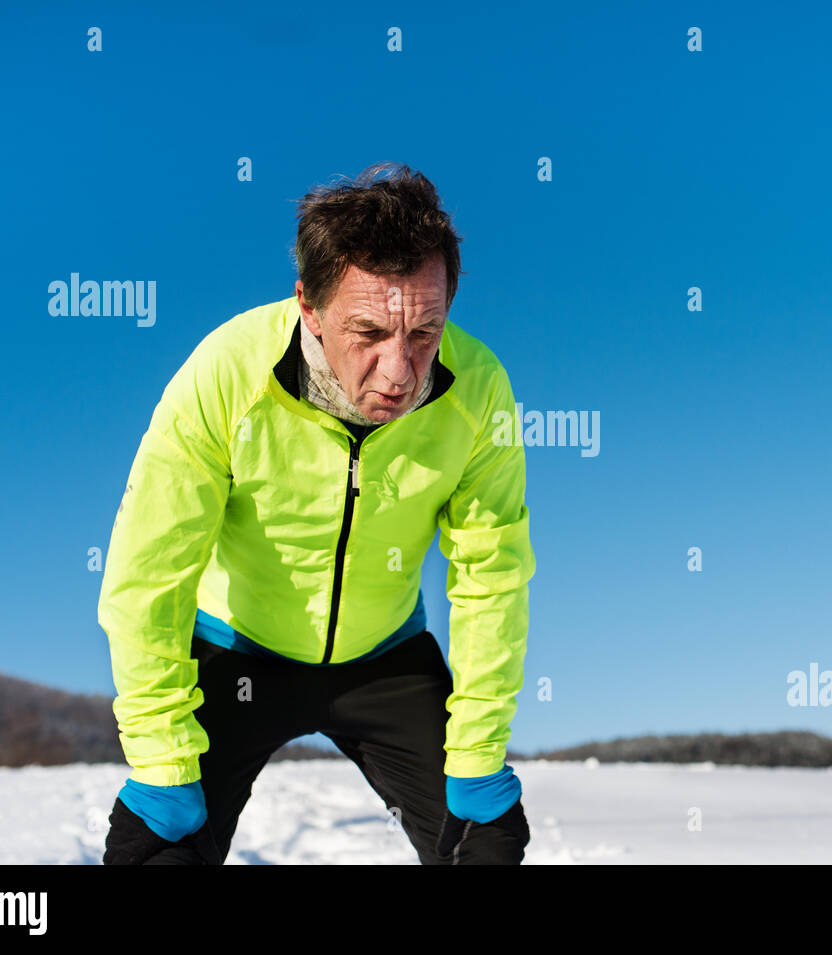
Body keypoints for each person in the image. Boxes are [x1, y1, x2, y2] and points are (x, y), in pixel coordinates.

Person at [97, 162, 534, 865]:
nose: (399, 372)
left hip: (385, 656)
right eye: (368, 332)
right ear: (309, 305)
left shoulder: (478, 391)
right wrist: (160, 758)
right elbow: (148, 570)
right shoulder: (227, 373)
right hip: (237, 651)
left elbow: (492, 575)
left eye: (425, 332)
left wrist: (479, 754)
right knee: (158, 848)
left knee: (486, 841)